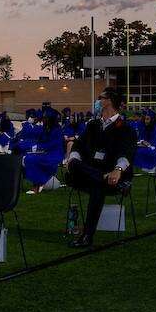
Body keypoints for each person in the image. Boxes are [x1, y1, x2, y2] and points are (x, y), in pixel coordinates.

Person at [65, 87, 136, 248]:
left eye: (100, 97)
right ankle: (99, 176)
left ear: (108, 101)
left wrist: (118, 170)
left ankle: (87, 235)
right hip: (95, 172)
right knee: (74, 163)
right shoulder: (93, 125)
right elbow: (78, 145)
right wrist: (72, 158)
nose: (98, 101)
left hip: (114, 175)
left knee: (98, 187)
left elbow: (127, 153)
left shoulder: (125, 128)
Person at [22, 106, 65, 191]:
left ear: (51, 119)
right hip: (45, 152)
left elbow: (53, 144)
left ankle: (37, 185)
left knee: (31, 159)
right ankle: (40, 182)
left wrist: (38, 147)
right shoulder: (46, 129)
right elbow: (39, 140)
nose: (44, 119)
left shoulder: (57, 130)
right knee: (26, 158)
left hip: (54, 154)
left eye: (46, 118)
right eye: (44, 118)